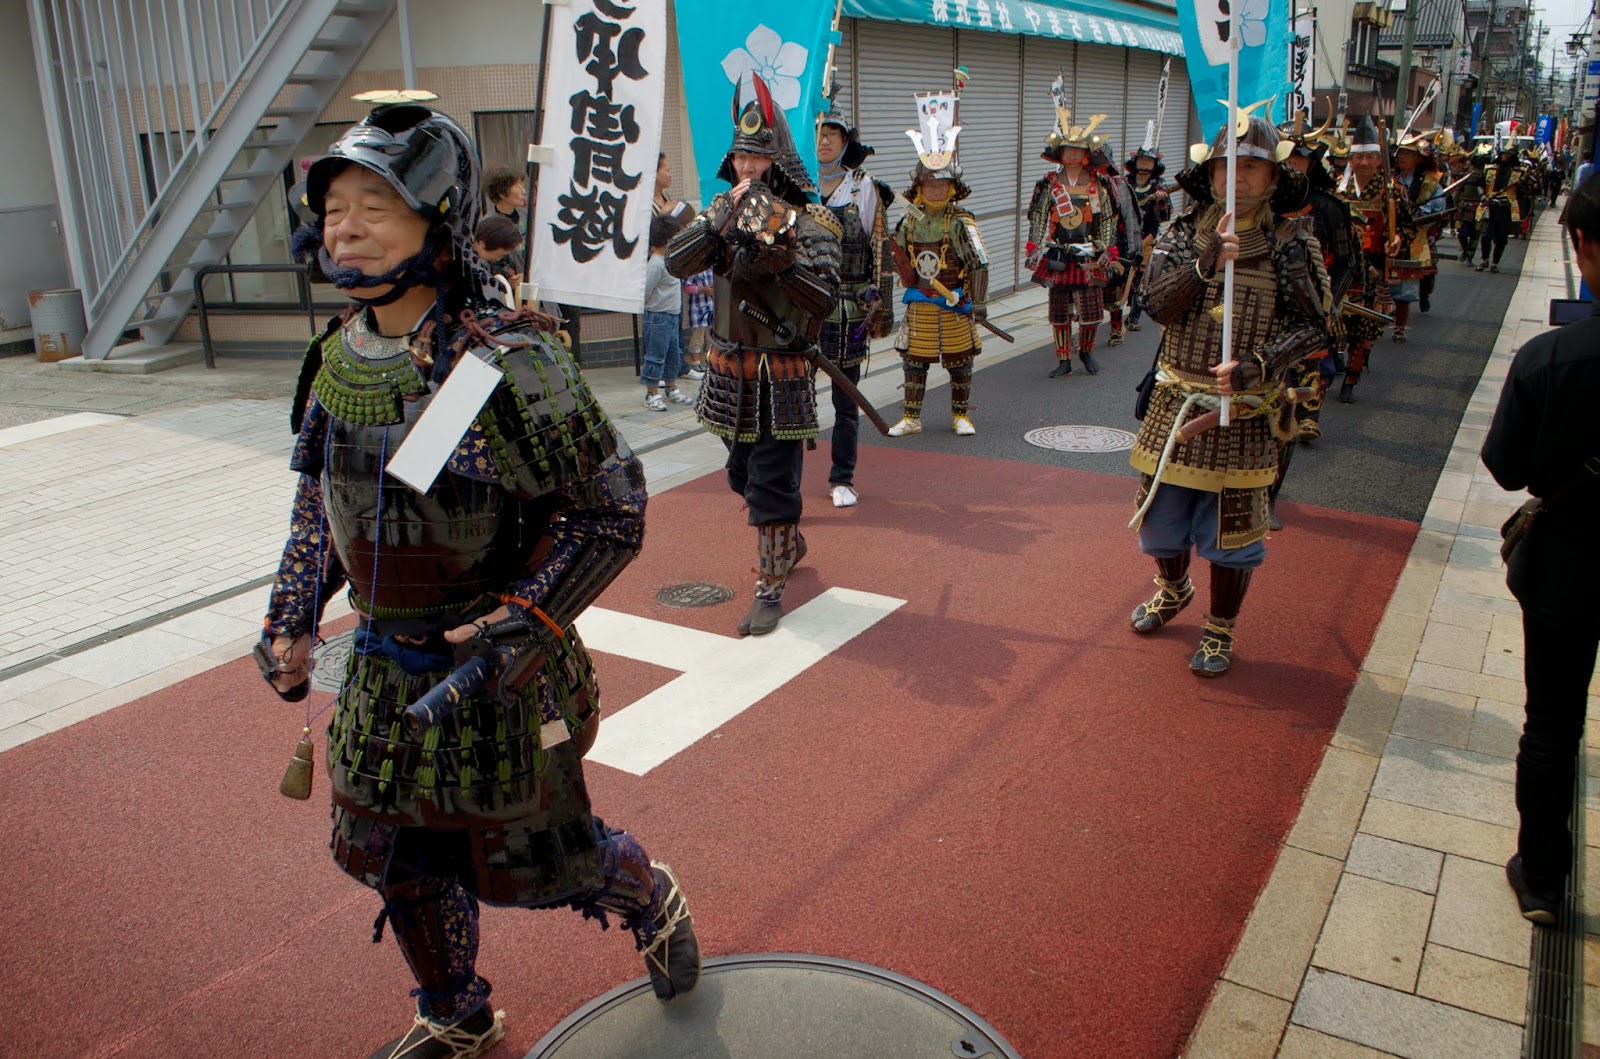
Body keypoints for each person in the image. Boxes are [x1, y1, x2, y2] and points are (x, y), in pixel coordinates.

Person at [266, 104, 700, 1057]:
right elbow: (320, 505)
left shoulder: (509, 356)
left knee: (544, 860)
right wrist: (290, 613)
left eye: (375, 205)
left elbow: (611, 507)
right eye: (334, 208)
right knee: (397, 860)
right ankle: (456, 1011)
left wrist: (522, 624)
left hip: (496, 669)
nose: (346, 228)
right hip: (381, 665)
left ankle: (652, 897)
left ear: (438, 217)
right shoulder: (335, 356)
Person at [1127, 109, 1331, 677]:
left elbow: (1318, 326)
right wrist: (1205, 262)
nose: (1236, 178)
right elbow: (1156, 305)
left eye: (1250, 168)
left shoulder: (1291, 243)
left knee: (1232, 533)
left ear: (1273, 177)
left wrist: (1257, 365)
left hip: (1245, 411)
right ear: (1210, 174)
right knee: (1159, 520)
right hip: (1176, 402)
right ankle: (1173, 589)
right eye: (1225, 167)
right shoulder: (1181, 231)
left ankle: (1220, 628)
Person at [663, 73, 842, 635]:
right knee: (740, 473)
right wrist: (720, 223)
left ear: (778, 162)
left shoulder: (813, 221)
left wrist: (782, 258)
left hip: (780, 371)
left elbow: (826, 299)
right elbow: (676, 263)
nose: (746, 167)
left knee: (770, 481)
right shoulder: (719, 207)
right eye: (741, 156)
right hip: (726, 367)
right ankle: (787, 541)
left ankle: (769, 588)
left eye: (757, 158)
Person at [1481, 171, 1600, 925]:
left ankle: (1544, 878)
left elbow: (1505, 465)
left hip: (1569, 560)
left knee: (1553, 723)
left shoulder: (1552, 358)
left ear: (1582, 245)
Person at [1270, 109, 1357, 527]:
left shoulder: (1328, 207)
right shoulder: (1259, 203)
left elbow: (1348, 263)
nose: (1291, 164)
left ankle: (1270, 495)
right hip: (1259, 316)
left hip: (1305, 320)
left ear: (1312, 162)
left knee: (1286, 408)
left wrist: (1327, 305)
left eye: (1299, 158)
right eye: (1285, 156)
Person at [886, 89, 989, 435]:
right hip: (921, 302)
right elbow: (894, 259)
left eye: (942, 184)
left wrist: (978, 302)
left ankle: (961, 415)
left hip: (954, 299)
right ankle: (911, 417)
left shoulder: (961, 221)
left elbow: (979, 262)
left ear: (952, 187)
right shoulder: (907, 222)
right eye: (929, 184)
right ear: (919, 187)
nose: (935, 190)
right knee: (914, 362)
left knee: (960, 362)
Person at [816, 96, 893, 507]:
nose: (824, 141)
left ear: (846, 141)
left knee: (845, 398)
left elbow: (879, 248)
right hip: (797, 308)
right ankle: (785, 476)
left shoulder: (862, 186)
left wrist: (880, 306)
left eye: (833, 134)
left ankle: (842, 477)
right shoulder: (794, 183)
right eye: (818, 132)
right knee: (790, 397)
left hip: (846, 308)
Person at [1027, 80, 1116, 377]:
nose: (1074, 155)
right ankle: (1063, 359)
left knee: (1090, 312)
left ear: (1087, 154)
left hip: (1088, 253)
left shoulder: (1098, 185)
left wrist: (1107, 248)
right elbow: (1039, 216)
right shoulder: (1049, 184)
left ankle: (1086, 352)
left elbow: (1107, 219)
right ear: (1061, 153)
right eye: (1069, 150)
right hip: (1058, 253)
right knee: (1059, 312)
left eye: (1079, 150)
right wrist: (1033, 247)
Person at [1331, 116, 1416, 403]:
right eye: (1359, 157)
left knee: (1364, 325)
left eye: (1370, 156)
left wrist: (1397, 239)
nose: (1364, 162)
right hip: (1339, 266)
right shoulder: (1337, 189)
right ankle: (1333, 364)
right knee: (1334, 320)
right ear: (1350, 160)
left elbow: (1408, 226)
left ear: (1379, 160)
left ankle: (1351, 379)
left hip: (1373, 268)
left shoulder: (1391, 191)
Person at [1390, 131, 1446, 338]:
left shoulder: (1430, 182)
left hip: (1414, 234)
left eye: (1408, 153)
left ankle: (1400, 326)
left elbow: (1437, 208)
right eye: (1401, 152)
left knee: (1406, 281)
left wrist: (1418, 215)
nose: (1402, 157)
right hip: (1387, 231)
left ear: (1419, 158)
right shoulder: (1389, 178)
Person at [1123, 129, 1173, 333]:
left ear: (1155, 164)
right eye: (1142, 160)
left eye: (1148, 161)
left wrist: (1161, 202)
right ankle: (1117, 313)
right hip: (1123, 236)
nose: (1144, 165)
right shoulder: (1124, 183)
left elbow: (1164, 217)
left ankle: (1134, 316)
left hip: (1147, 236)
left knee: (1139, 280)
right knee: (1119, 275)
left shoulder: (1159, 185)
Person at [642, 214, 693, 411]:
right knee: (655, 356)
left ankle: (671, 388)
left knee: (674, 355)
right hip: (658, 317)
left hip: (672, 316)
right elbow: (645, 291)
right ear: (667, 240)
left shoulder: (669, 260)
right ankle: (651, 393)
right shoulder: (656, 264)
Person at [1478, 146, 1523, 272]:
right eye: (1503, 154)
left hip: (1506, 208)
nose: (1505, 156)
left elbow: (1524, 193)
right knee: (1486, 236)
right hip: (1491, 206)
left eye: (1508, 154)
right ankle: (1484, 260)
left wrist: (1521, 185)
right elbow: (1480, 185)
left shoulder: (1518, 173)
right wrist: (1482, 197)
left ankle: (1494, 263)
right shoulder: (1490, 169)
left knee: (1501, 239)